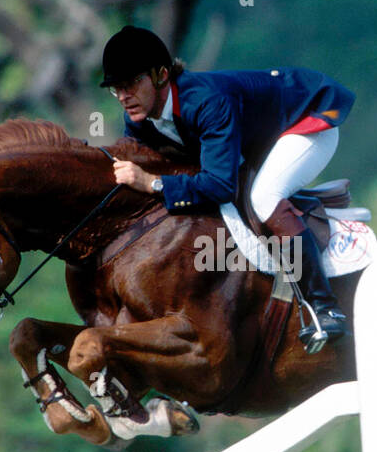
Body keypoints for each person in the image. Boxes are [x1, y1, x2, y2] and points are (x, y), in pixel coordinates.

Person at [102, 25, 353, 351]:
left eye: (132, 83)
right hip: (257, 138)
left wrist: (153, 183)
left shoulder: (207, 101)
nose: (123, 96)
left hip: (308, 117)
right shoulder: (138, 118)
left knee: (264, 198)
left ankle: (325, 308)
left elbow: (220, 185)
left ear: (162, 75)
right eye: (116, 89)